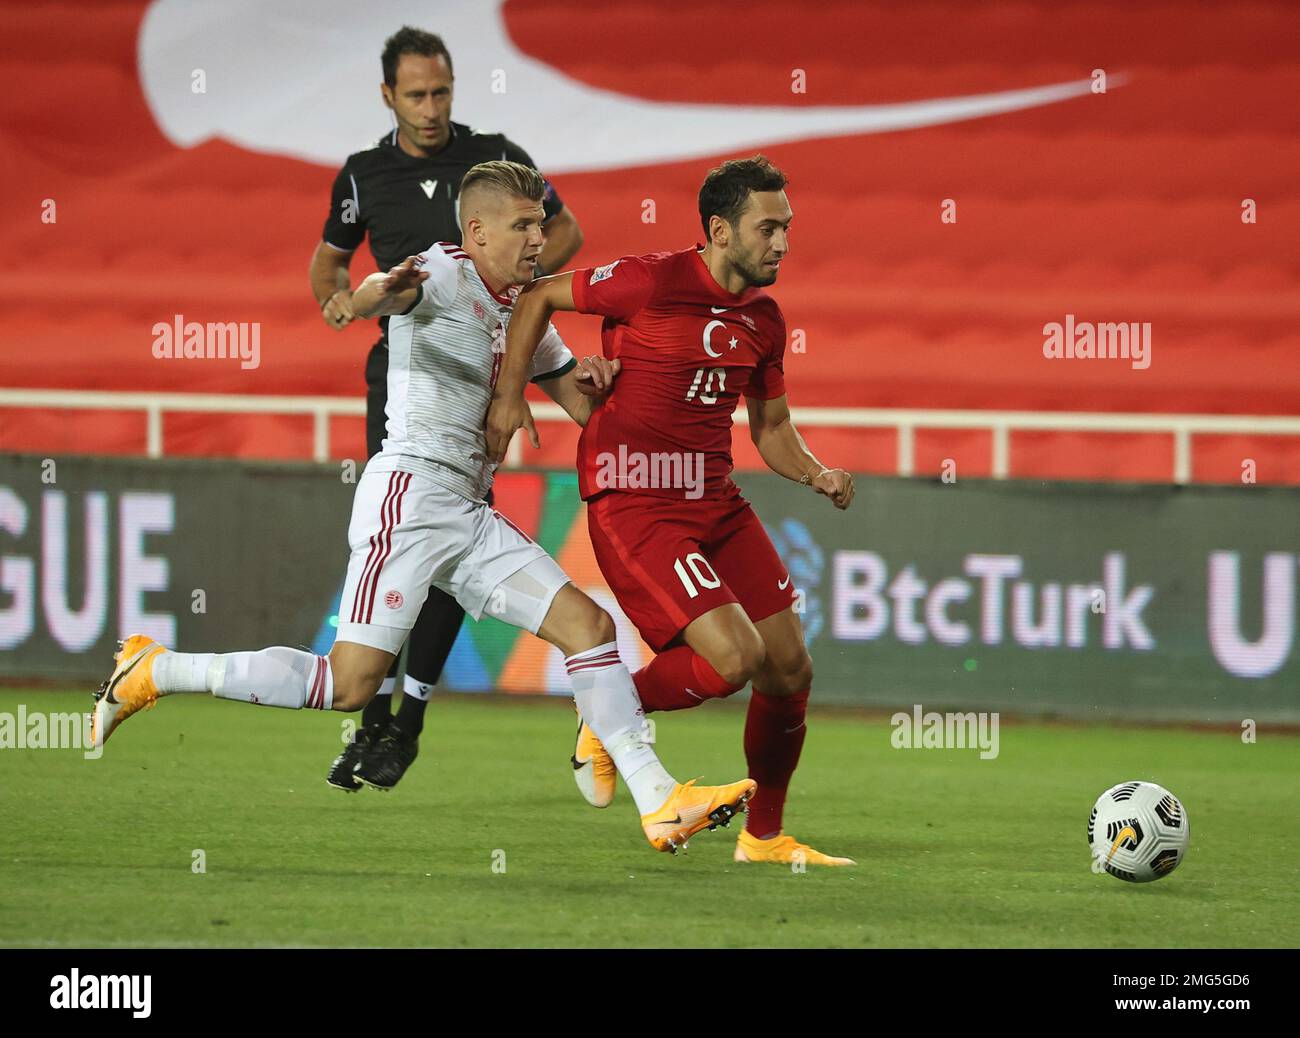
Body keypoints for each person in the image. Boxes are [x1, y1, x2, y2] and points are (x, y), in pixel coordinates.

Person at [92, 162, 752, 855]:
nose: (539, 238)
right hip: (410, 497)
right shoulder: (441, 271)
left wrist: (613, 382)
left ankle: (659, 801)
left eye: (540, 223)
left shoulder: (524, 308)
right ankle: (156, 670)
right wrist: (376, 292)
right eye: (524, 225)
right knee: (347, 686)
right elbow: (382, 295)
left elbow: (587, 411)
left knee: (588, 628)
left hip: (465, 512)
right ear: (477, 231)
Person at [486, 155, 856, 866]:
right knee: (733, 659)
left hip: (715, 499)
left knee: (789, 667)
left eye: (787, 228)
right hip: (636, 498)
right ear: (720, 230)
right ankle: (608, 709)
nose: (782, 243)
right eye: (767, 228)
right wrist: (510, 396)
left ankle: (764, 837)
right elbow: (534, 299)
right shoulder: (649, 279)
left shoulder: (765, 319)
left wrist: (816, 473)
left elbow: (772, 430)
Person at [308, 25, 584, 791]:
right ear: (388, 95)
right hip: (403, 379)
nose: (432, 108)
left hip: (484, 369)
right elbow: (330, 265)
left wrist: (517, 301)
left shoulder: (493, 158)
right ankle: (371, 722)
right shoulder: (364, 176)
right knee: (393, 547)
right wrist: (337, 301)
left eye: (442, 92)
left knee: (453, 545)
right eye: (417, 94)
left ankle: (409, 720)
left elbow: (565, 230)